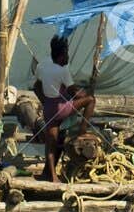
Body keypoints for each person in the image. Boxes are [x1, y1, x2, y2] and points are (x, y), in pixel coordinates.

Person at [33, 35, 95, 182]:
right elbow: (74, 92)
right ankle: (82, 131)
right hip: (61, 109)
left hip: (49, 109)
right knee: (91, 100)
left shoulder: (42, 65)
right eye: (66, 54)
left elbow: (36, 86)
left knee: (51, 144)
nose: (67, 57)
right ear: (61, 56)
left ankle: (51, 176)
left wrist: (45, 100)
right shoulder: (62, 70)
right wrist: (85, 93)